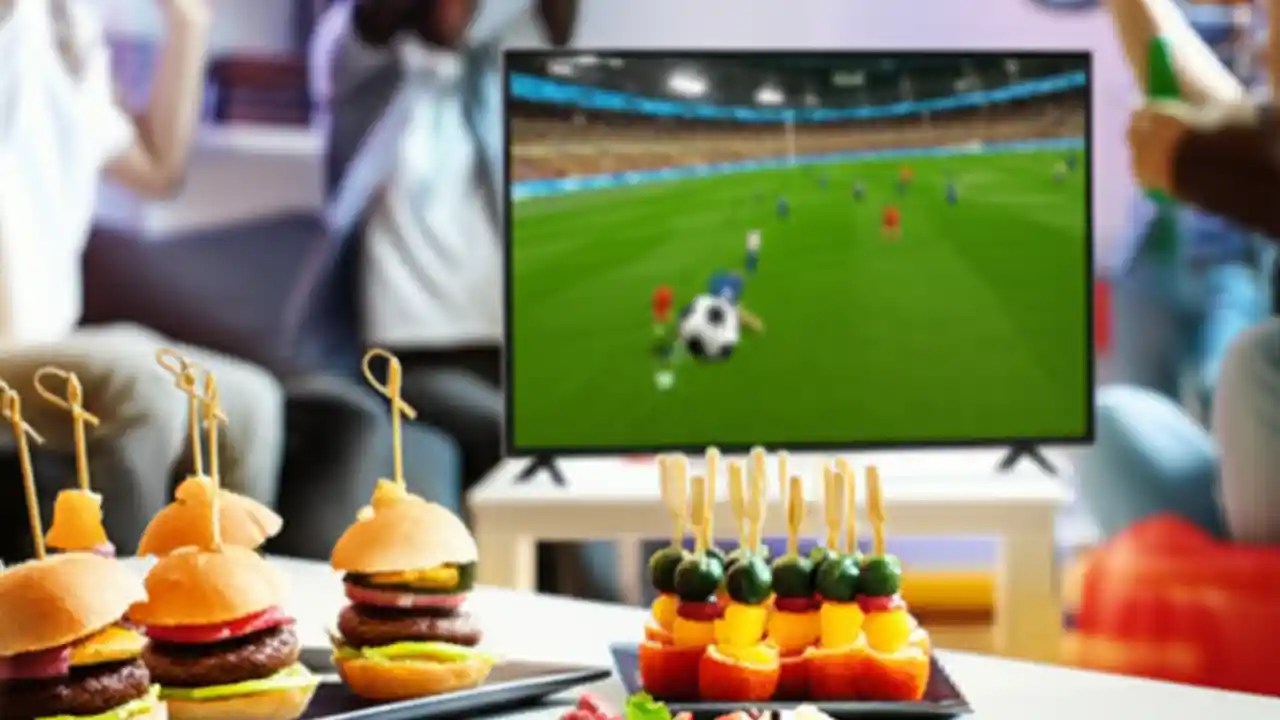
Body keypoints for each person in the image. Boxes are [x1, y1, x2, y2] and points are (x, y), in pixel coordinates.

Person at [311, 0, 621, 600]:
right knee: (515, 437)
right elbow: (368, 22)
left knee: (584, 450)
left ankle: (609, 633)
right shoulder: (360, 71)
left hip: (517, 354)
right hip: (405, 365)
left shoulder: (498, 69)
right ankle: (585, 616)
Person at [0, 0, 286, 553]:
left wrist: (189, 23)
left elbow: (156, 168)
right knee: (140, 382)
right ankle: (118, 626)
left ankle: (224, 620)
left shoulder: (68, 29)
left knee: (249, 401)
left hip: (46, 347)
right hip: (11, 351)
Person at [1075, 0, 1280, 544]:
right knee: (1111, 427)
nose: (1261, 47)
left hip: (1227, 278)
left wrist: (1195, 156)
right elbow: (1241, 134)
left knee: (1258, 365)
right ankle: (1226, 604)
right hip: (1161, 253)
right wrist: (1196, 152)